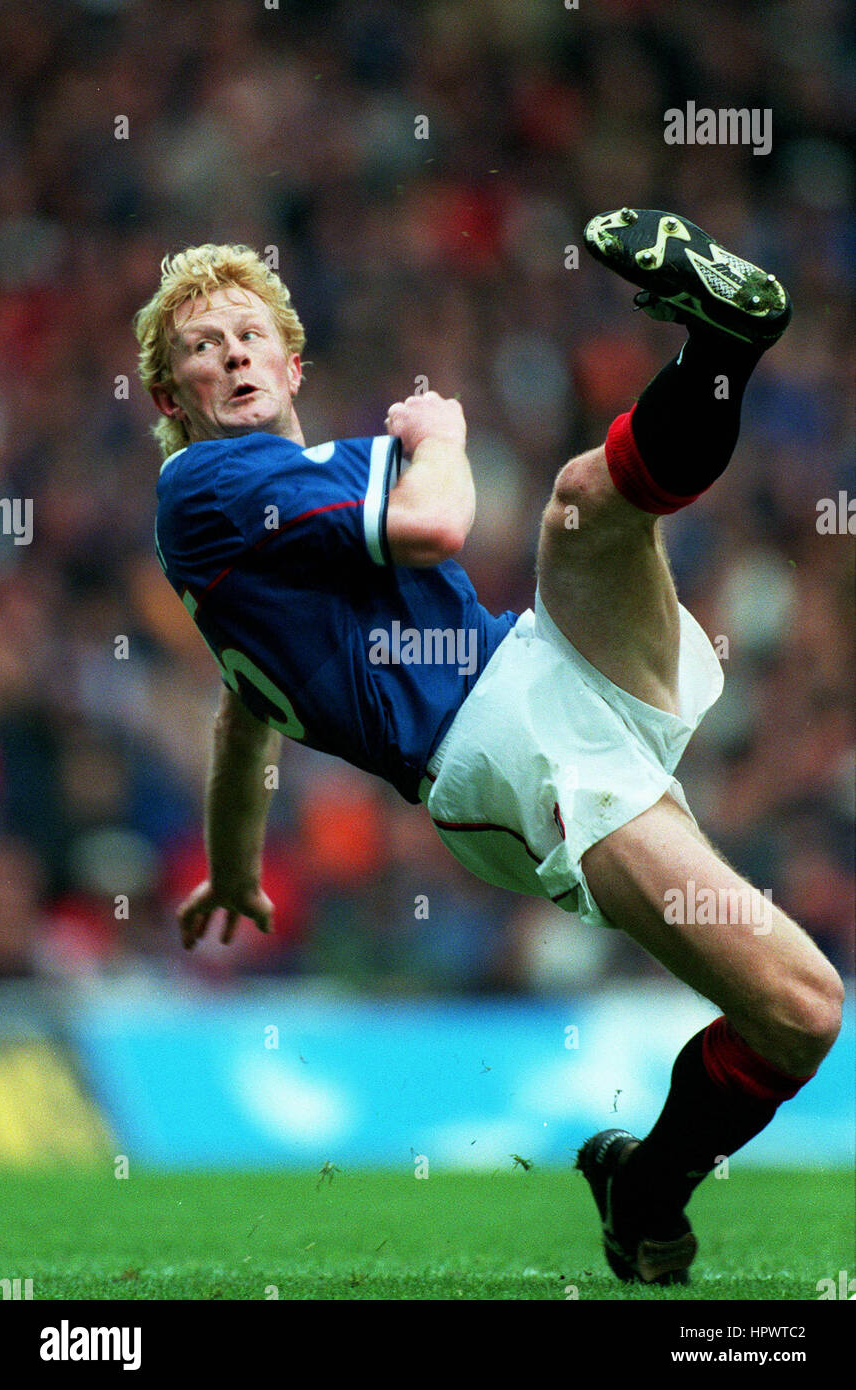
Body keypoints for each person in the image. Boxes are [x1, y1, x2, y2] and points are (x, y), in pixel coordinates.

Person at [135, 209, 844, 1285]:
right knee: (803, 1010)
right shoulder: (203, 486)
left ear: (290, 360)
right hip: (491, 751)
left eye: (247, 333)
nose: (229, 353)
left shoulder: (310, 491)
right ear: (167, 397)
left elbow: (244, 717)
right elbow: (436, 528)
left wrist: (233, 869)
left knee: (582, 503)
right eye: (200, 345)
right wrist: (445, 434)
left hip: (537, 666)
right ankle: (652, 1185)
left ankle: (720, 345)